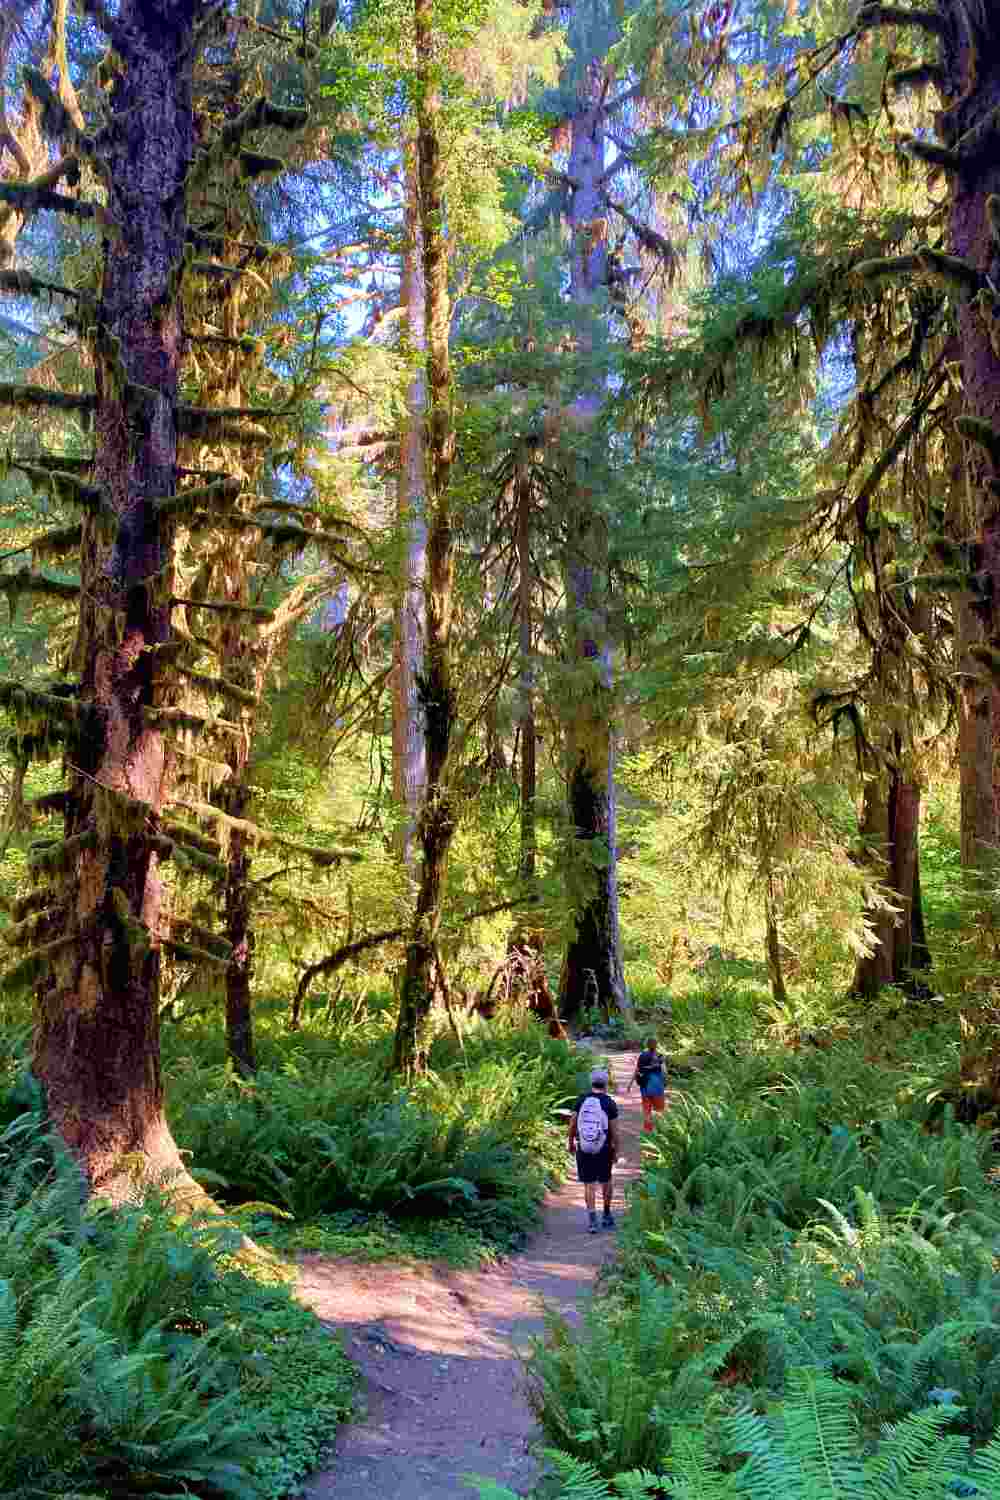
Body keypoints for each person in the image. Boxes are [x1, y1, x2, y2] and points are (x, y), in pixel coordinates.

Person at [568, 1067, 620, 1233]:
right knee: (606, 1181)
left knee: (589, 1185)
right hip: (604, 1148)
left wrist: (570, 1142)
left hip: (584, 1147)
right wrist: (616, 1151)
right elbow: (615, 1132)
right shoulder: (609, 1103)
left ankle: (592, 1221)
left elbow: (572, 1124)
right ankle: (606, 1214)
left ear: (591, 1083)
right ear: (606, 1084)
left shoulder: (581, 1100)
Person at [629, 1036, 667, 1134]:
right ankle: (659, 1131)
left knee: (647, 1110)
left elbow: (637, 1070)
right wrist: (664, 1082)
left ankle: (648, 1130)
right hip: (657, 1086)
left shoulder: (642, 1056)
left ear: (647, 1045)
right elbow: (664, 1072)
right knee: (659, 1110)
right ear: (656, 1045)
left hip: (645, 1086)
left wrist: (630, 1084)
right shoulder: (659, 1056)